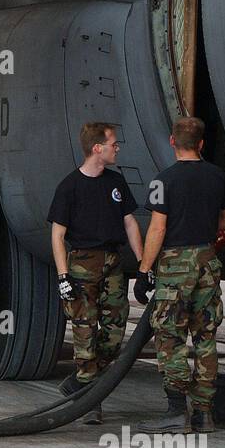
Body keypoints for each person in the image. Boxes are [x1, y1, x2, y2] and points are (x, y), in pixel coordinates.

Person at [134, 116, 225, 434]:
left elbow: (157, 228)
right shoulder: (218, 176)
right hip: (207, 261)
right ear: (202, 144)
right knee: (205, 337)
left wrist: (144, 270)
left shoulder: (162, 180)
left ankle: (176, 411)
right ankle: (203, 414)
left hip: (175, 265)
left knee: (170, 337)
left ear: (171, 142)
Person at [48, 122, 144, 423]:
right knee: (84, 331)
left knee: (114, 332)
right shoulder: (69, 186)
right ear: (97, 148)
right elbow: (57, 235)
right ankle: (89, 399)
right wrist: (63, 276)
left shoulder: (115, 182)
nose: (117, 148)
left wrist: (143, 266)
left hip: (113, 263)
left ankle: (79, 382)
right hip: (82, 265)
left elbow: (130, 223)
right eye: (113, 143)